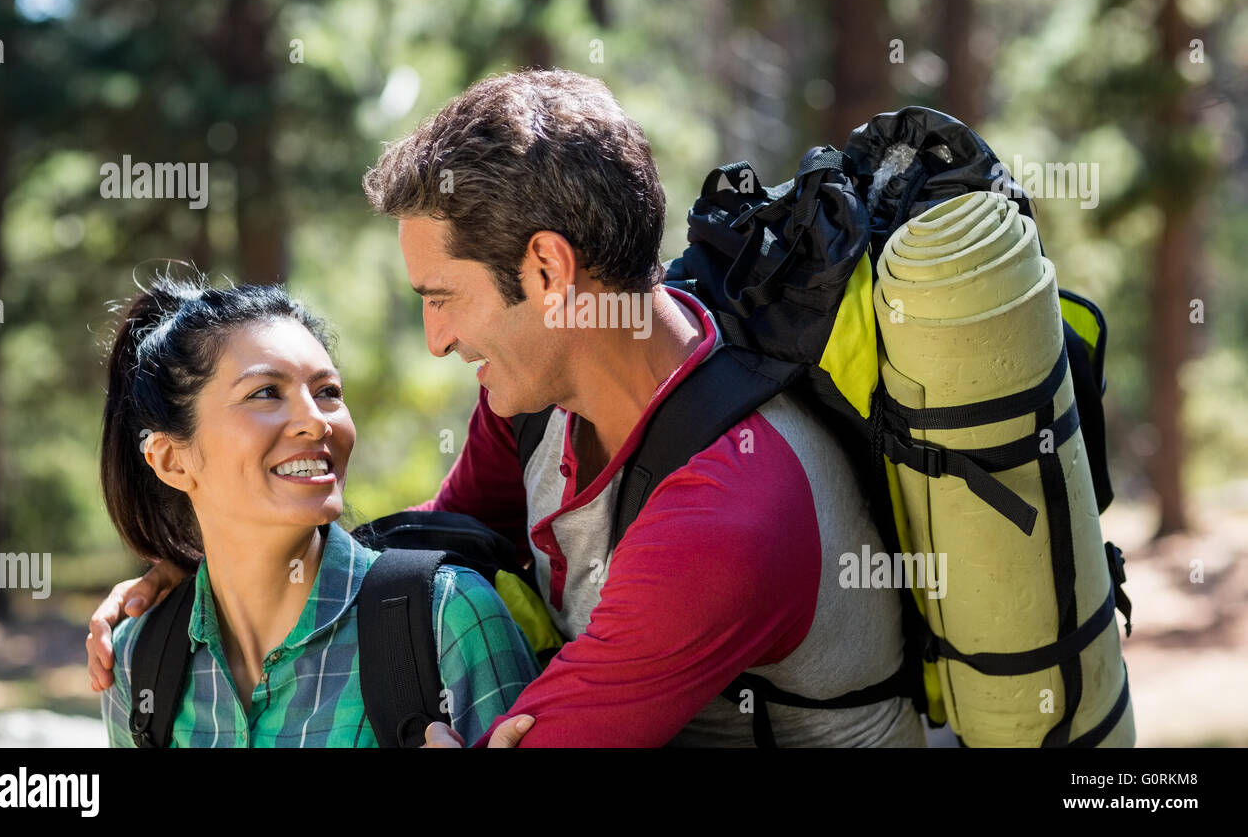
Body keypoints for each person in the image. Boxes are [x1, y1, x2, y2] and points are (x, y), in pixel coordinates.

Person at [90, 71, 926, 748]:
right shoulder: (537, 409)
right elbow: (408, 549)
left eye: (443, 297)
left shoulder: (726, 516)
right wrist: (213, 569)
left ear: (548, 269)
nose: (437, 339)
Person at [96, 273, 540, 747]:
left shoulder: (449, 617)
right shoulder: (137, 661)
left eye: (327, 391)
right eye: (265, 392)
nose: (315, 421)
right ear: (171, 460)